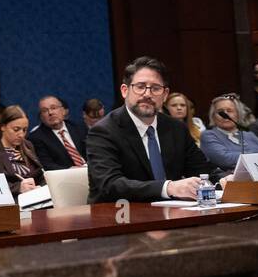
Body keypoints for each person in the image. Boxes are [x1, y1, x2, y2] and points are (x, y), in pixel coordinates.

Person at [85, 56, 222, 203]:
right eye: (140, 87)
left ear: (165, 95)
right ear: (125, 91)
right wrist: (168, 188)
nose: (147, 94)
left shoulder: (176, 128)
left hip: (173, 212)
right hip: (119, 215)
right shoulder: (103, 131)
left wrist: (226, 181)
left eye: (156, 88)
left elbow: (202, 170)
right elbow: (110, 184)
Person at [0, 106, 46, 196]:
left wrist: (41, 187)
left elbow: (40, 175)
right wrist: (18, 188)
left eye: (24, 130)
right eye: (16, 129)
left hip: (35, 199)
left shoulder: (27, 145)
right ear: (3, 127)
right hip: (7, 203)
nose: (21, 134)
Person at [199, 95, 258, 170]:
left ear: (238, 114)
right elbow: (225, 160)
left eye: (229, 111)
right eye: (220, 112)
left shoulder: (248, 134)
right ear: (213, 116)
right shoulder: (208, 135)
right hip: (228, 178)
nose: (225, 115)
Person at [27, 96, 88, 171]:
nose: (50, 113)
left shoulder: (80, 128)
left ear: (63, 111)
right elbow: (47, 165)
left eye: (53, 108)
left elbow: (92, 152)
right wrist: (70, 170)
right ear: (41, 117)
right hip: (65, 176)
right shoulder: (36, 138)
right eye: (45, 110)